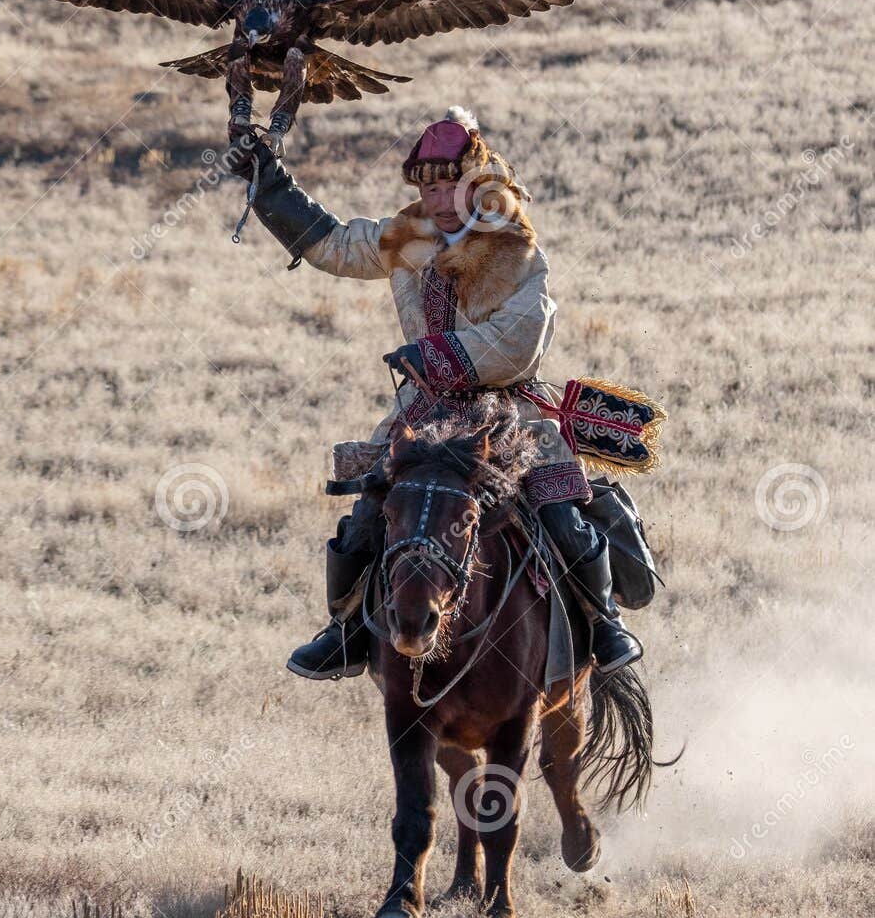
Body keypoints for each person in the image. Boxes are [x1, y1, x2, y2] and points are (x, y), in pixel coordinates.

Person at [230, 107, 642, 680]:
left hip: (508, 408)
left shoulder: (515, 248)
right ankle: (346, 630)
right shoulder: (406, 236)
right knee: (369, 513)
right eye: (428, 185)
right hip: (424, 412)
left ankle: (603, 624)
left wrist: (435, 357)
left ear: (476, 180)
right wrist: (268, 180)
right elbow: (335, 245)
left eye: (449, 183)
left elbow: (521, 337)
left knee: (560, 511)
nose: (439, 197)